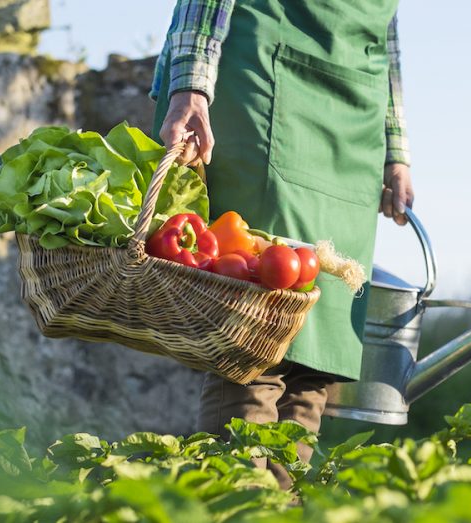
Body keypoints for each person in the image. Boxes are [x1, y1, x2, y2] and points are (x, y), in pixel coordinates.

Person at [150, 0, 413, 489]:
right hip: (267, 82)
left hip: (355, 118)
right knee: (256, 341)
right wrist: (190, 84)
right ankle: (239, 507)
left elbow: (388, 26)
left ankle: (284, 509)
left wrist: (395, 148)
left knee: (318, 363)